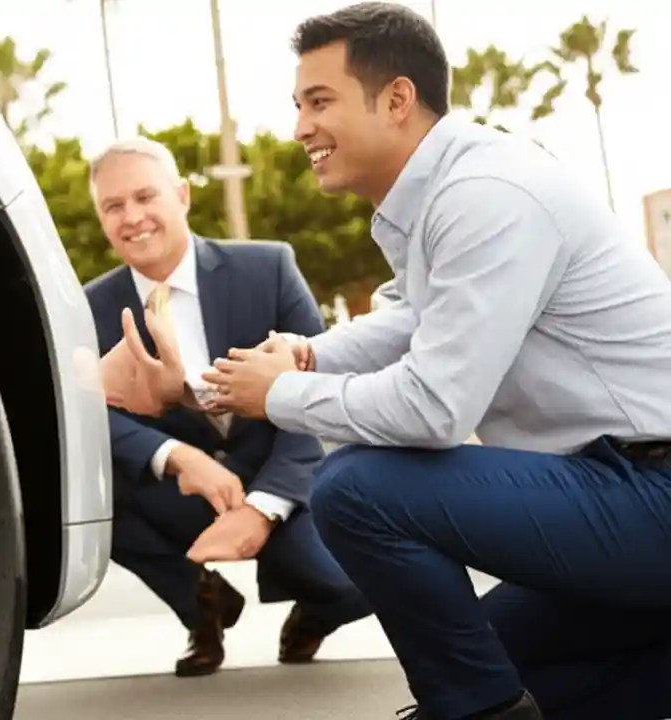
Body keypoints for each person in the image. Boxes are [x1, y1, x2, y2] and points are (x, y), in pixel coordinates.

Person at [106, 3, 671, 718]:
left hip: (651, 494)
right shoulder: (445, 192)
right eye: (298, 105)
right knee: (490, 657)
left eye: (319, 102)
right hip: (614, 493)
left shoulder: (485, 194)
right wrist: (224, 382)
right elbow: (407, 318)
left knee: (358, 488)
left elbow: (435, 410)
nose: (300, 127)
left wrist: (280, 394)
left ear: (397, 99)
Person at [87, 136, 372, 678]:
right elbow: (88, 415)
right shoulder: (89, 307)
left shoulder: (269, 268)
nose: (133, 217)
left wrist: (261, 509)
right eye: (114, 206)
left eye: (146, 197)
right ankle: (203, 608)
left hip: (280, 472)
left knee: (352, 584)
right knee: (88, 495)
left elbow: (315, 392)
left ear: (183, 196)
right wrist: (176, 455)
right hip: (178, 488)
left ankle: (316, 613)